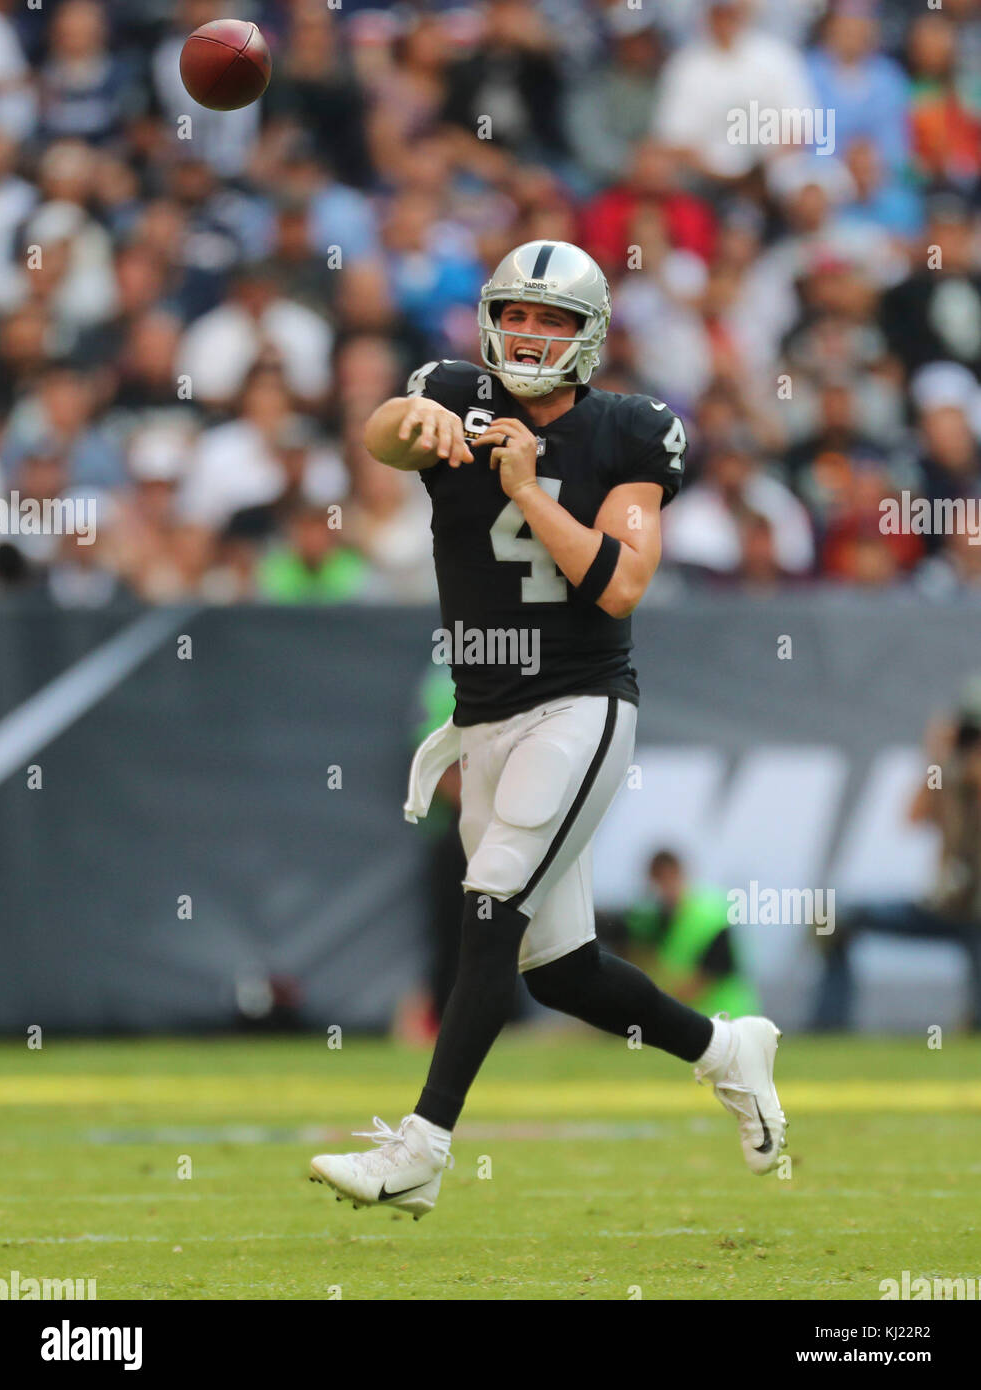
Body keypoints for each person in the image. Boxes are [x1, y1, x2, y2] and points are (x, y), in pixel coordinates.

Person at [310, 240, 787, 1220]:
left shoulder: (630, 430)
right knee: (560, 972)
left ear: (589, 336)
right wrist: (416, 416)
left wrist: (530, 486)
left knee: (487, 911)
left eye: (551, 320)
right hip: (482, 715)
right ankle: (725, 1048)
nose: (528, 335)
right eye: (516, 315)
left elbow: (621, 582)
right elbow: (386, 439)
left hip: (579, 703)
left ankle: (424, 1146)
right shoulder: (454, 384)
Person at [813, 677, 981, 1030]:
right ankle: (827, 1029)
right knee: (834, 918)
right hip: (948, 907)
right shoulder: (950, 777)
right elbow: (914, 817)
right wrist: (935, 760)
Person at [618, 849, 760, 1017]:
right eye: (658, 881)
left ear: (679, 874)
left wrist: (652, 1000)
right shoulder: (654, 918)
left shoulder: (711, 914)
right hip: (689, 1018)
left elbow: (711, 975)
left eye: (666, 879)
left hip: (727, 1016)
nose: (662, 888)